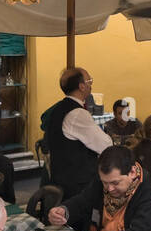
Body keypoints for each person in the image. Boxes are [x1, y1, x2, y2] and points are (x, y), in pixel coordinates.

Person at [46, 145, 151, 231]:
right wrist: (63, 211)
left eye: (115, 183)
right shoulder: (104, 180)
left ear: (132, 172)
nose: (109, 189)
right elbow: (82, 202)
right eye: (104, 182)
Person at [41, 67, 109, 201]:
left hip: (60, 178)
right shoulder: (77, 114)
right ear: (82, 86)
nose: (91, 85)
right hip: (78, 185)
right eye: (89, 80)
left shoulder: (57, 108)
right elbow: (104, 145)